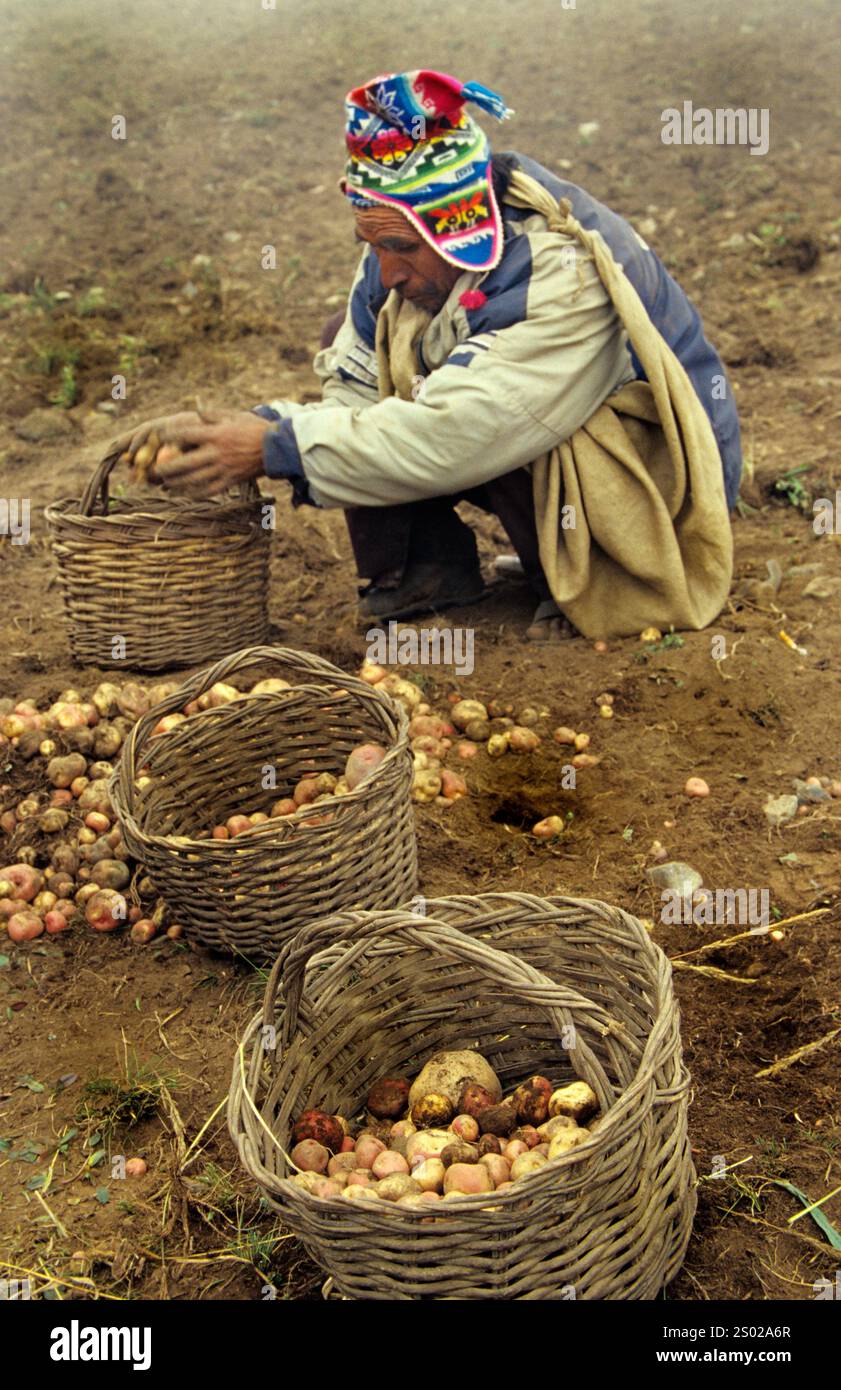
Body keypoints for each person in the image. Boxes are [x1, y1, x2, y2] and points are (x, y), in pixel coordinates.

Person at [114, 69, 740, 643]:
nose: (385, 271)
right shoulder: (408, 244)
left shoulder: (557, 269)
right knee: (353, 333)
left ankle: (589, 582)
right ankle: (425, 567)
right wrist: (254, 426)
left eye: (400, 248)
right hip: (501, 412)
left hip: (657, 484)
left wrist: (274, 448)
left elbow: (462, 429)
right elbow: (354, 398)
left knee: (490, 416)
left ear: (456, 227)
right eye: (373, 245)